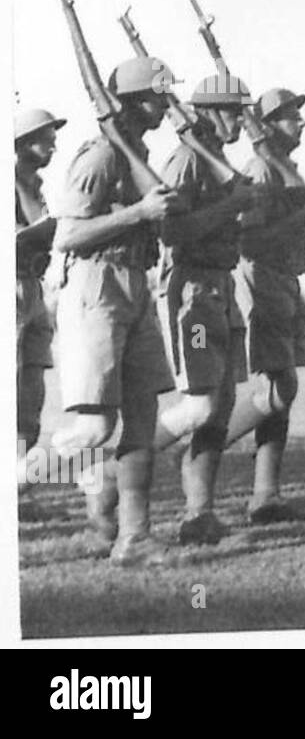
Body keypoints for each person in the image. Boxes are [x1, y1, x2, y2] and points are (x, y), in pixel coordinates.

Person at [49, 57, 186, 566]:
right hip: (95, 286)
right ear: (132, 101)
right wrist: (140, 213)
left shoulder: (136, 153)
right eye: (157, 96)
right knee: (93, 432)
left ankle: (135, 539)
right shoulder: (103, 155)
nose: (165, 104)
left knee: (143, 419)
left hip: (133, 283)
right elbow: (68, 235)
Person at [147, 73, 259, 544]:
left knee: (221, 408)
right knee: (201, 406)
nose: (241, 119)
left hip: (220, 286)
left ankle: (200, 514)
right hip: (191, 288)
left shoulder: (217, 160)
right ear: (211, 112)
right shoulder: (188, 161)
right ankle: (112, 477)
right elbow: (170, 233)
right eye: (235, 110)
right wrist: (231, 204)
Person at [224, 88, 305, 522]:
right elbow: (246, 242)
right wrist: (303, 216)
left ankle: (266, 495)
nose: (301, 123)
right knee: (277, 389)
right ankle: (197, 450)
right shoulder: (262, 170)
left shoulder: (282, 169)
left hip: (284, 278)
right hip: (262, 277)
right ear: (267, 125)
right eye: (290, 118)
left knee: (282, 391)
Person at [15, 107, 65, 518]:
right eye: (43, 136)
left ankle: (17, 493)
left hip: (32, 289)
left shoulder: (35, 185)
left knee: (30, 396)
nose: (52, 143)